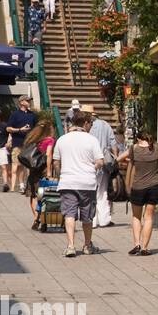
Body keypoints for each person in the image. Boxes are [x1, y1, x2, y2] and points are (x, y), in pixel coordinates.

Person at [52, 110, 103, 257]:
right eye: (91, 124)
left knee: (69, 214)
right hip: (87, 183)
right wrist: (91, 168)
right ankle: (87, 245)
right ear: (85, 123)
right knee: (87, 216)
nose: (91, 127)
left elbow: (56, 161)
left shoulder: (62, 139)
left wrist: (62, 173)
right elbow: (100, 161)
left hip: (67, 182)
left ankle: (71, 246)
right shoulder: (91, 140)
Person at [119, 129, 158, 256]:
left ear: (138, 139)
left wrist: (132, 161)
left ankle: (137, 244)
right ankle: (145, 247)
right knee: (148, 218)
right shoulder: (156, 148)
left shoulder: (134, 149)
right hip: (154, 186)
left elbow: (120, 158)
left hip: (138, 187)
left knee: (136, 217)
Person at [21, 119, 56, 230]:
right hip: (44, 169)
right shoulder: (49, 140)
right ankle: (40, 216)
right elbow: (49, 154)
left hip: (33, 169)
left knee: (33, 194)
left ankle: (36, 217)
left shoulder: (32, 139)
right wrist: (49, 171)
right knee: (43, 194)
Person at [88, 106, 119, 228]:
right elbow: (113, 143)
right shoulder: (105, 125)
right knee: (103, 191)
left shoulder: (87, 127)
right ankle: (104, 219)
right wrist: (115, 158)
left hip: (91, 162)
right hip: (104, 162)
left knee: (91, 192)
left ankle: (92, 219)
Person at [5, 97, 37, 192]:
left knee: (28, 167)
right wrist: (20, 129)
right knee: (16, 166)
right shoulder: (15, 114)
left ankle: (26, 186)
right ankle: (13, 188)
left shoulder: (33, 115)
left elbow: (36, 129)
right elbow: (8, 128)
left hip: (29, 145)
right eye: (27, 101)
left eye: (30, 100)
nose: (29, 102)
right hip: (17, 144)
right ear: (21, 102)